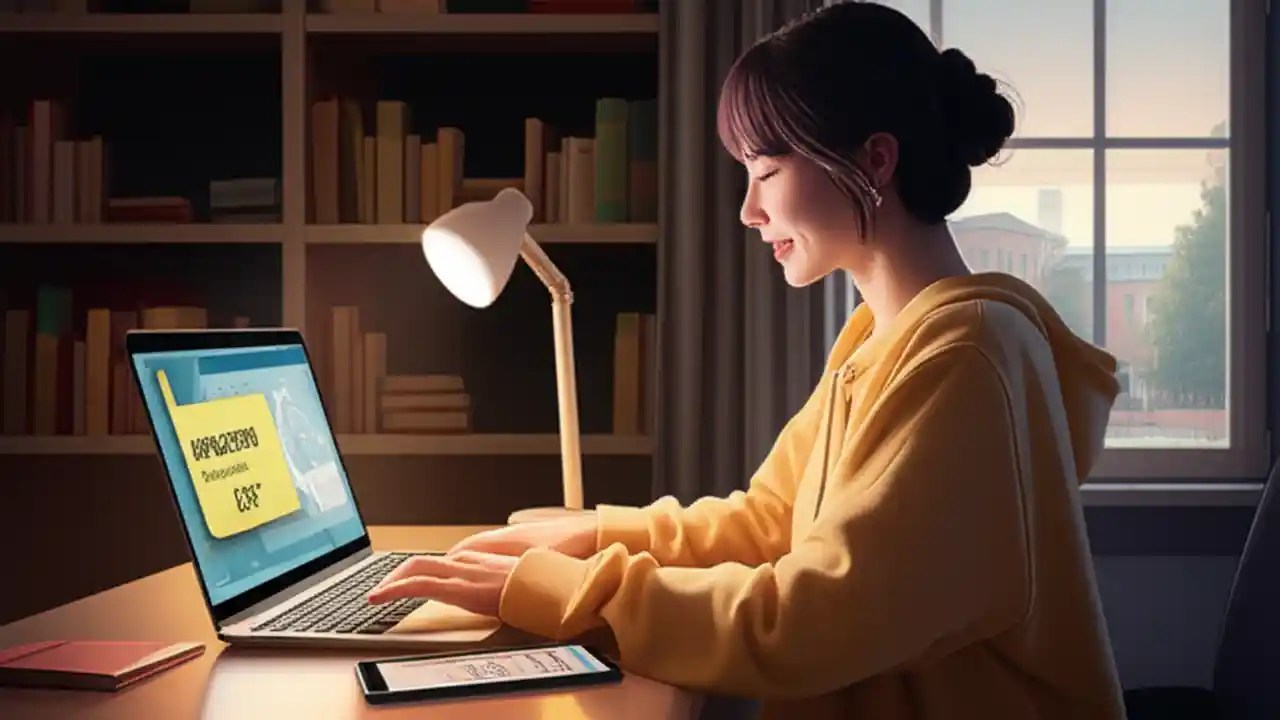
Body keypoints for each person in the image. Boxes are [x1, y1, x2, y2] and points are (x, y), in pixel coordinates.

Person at [367, 2, 1128, 718]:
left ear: (874, 161)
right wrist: (593, 536)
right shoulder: (881, 335)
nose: (747, 210)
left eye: (765, 172)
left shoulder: (963, 356)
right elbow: (771, 520)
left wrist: (569, 592)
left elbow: (808, 622)